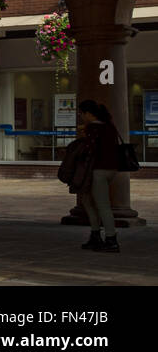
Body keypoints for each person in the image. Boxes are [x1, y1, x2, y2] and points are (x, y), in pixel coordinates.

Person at [77, 99, 122, 253]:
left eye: (81, 114)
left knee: (102, 205)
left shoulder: (93, 128)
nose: (81, 117)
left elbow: (89, 150)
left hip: (98, 170)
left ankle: (111, 239)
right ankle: (95, 235)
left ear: (88, 113)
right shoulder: (109, 126)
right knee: (87, 200)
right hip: (111, 169)